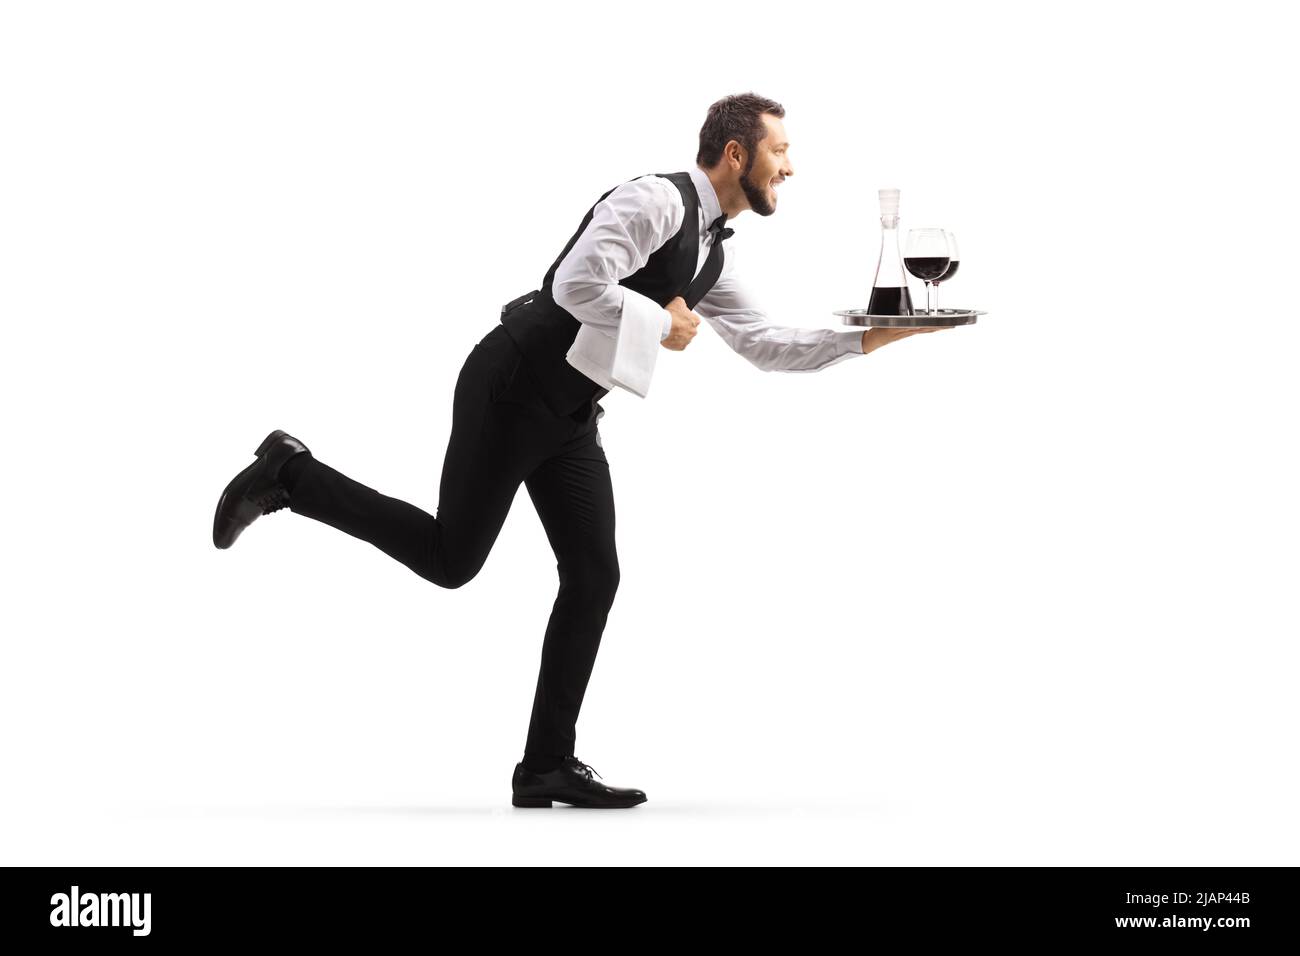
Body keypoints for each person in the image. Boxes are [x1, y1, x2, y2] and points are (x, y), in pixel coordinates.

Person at [211, 92, 951, 810]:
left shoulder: (711, 254)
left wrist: (873, 338)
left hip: (569, 414)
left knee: (594, 575)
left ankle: (544, 766)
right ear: (737, 153)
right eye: (780, 150)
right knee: (450, 562)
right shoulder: (654, 203)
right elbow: (572, 285)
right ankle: (291, 473)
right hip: (510, 386)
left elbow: (766, 345)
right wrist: (660, 322)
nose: (790, 167)